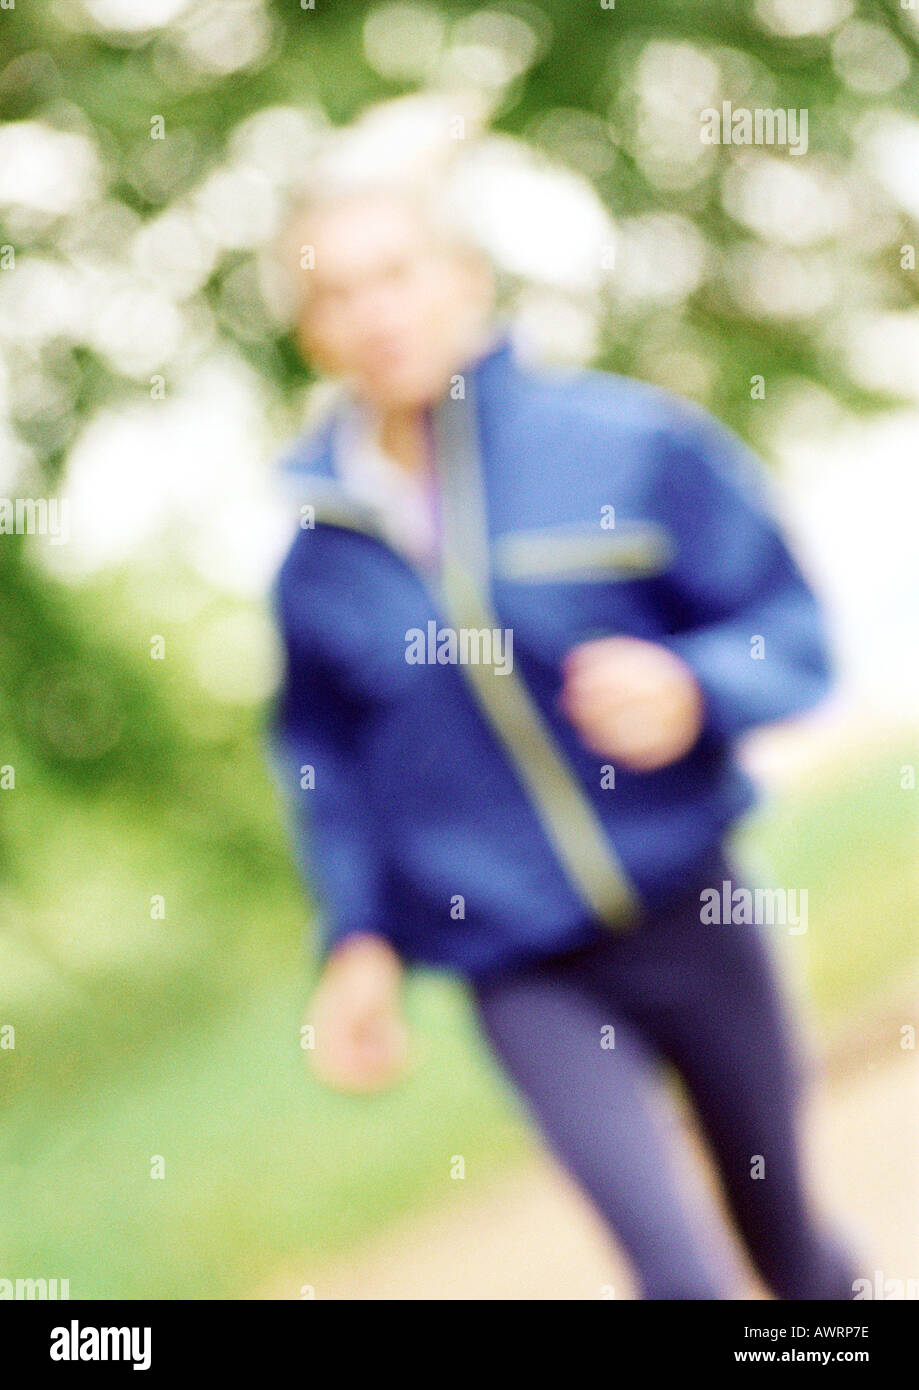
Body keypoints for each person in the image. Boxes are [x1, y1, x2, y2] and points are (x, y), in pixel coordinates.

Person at [268, 182, 858, 1300]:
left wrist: (695, 683)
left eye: (395, 273)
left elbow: (794, 630)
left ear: (464, 279)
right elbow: (325, 766)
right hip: (516, 956)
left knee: (790, 1254)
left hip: (693, 904)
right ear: (314, 331)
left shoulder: (626, 444)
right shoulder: (318, 560)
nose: (374, 313)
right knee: (676, 1277)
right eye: (335, 293)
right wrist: (354, 934)